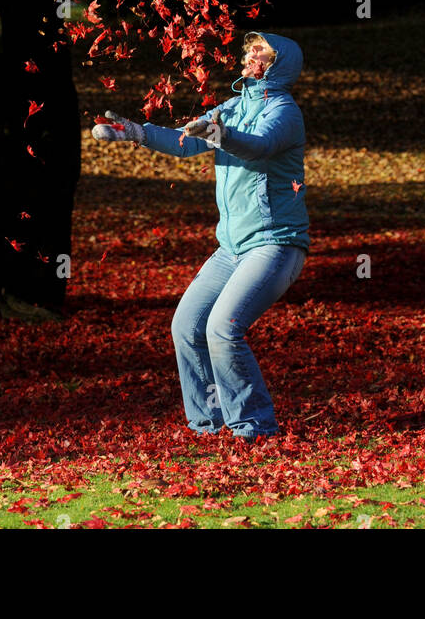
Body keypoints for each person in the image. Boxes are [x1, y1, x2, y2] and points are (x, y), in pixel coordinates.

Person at [92, 30, 309, 441]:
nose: (248, 54)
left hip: (275, 244)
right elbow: (187, 141)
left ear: (278, 63)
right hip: (231, 248)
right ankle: (209, 425)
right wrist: (138, 133)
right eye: (248, 49)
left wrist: (221, 136)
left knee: (223, 329)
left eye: (258, 50)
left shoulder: (284, 111)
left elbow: (259, 146)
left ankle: (255, 429)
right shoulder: (234, 104)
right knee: (186, 326)